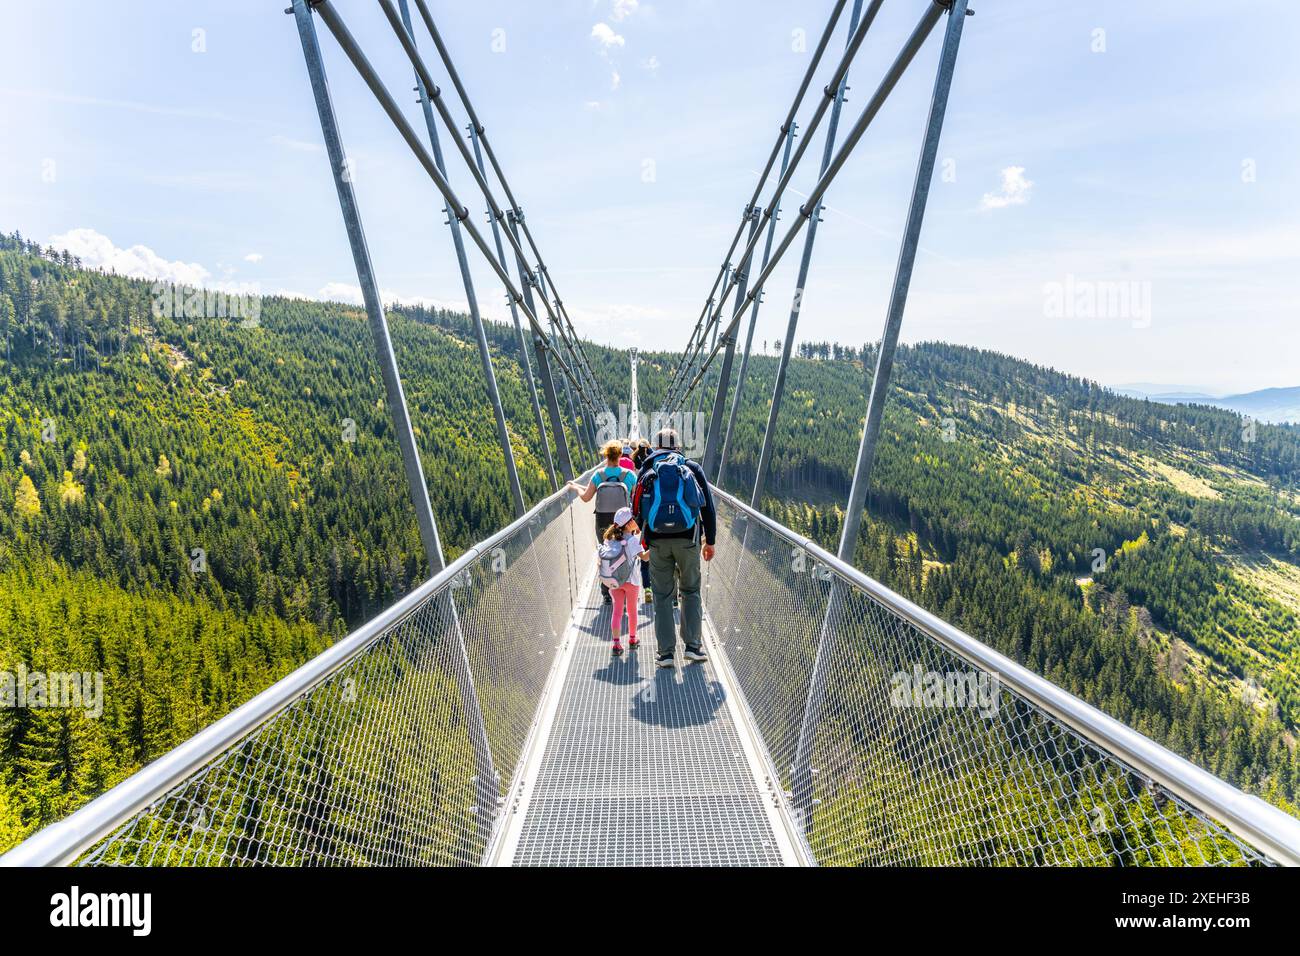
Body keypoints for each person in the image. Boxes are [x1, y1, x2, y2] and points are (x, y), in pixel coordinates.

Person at [632, 427, 716, 668]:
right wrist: (709, 541)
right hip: (688, 539)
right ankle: (693, 647)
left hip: (657, 541)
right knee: (690, 591)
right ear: (678, 446)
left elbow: (636, 508)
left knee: (662, 596)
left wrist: (642, 539)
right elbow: (707, 508)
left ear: (655, 447)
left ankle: (666, 653)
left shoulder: (646, 469)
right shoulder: (691, 468)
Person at [567, 440, 636, 603]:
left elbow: (586, 497)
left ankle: (606, 593)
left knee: (606, 553)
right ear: (620, 455)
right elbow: (635, 498)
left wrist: (575, 487)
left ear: (606, 455)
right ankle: (623, 590)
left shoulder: (599, 475)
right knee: (625, 553)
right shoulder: (629, 475)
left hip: (603, 520)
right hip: (623, 521)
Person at [596, 506, 647, 655]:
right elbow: (644, 557)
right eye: (632, 519)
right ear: (629, 523)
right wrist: (657, 549)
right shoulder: (632, 540)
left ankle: (617, 645)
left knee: (617, 611)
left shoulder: (609, 539)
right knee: (632, 611)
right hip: (632, 581)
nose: (635, 521)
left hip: (615, 581)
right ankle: (632, 639)